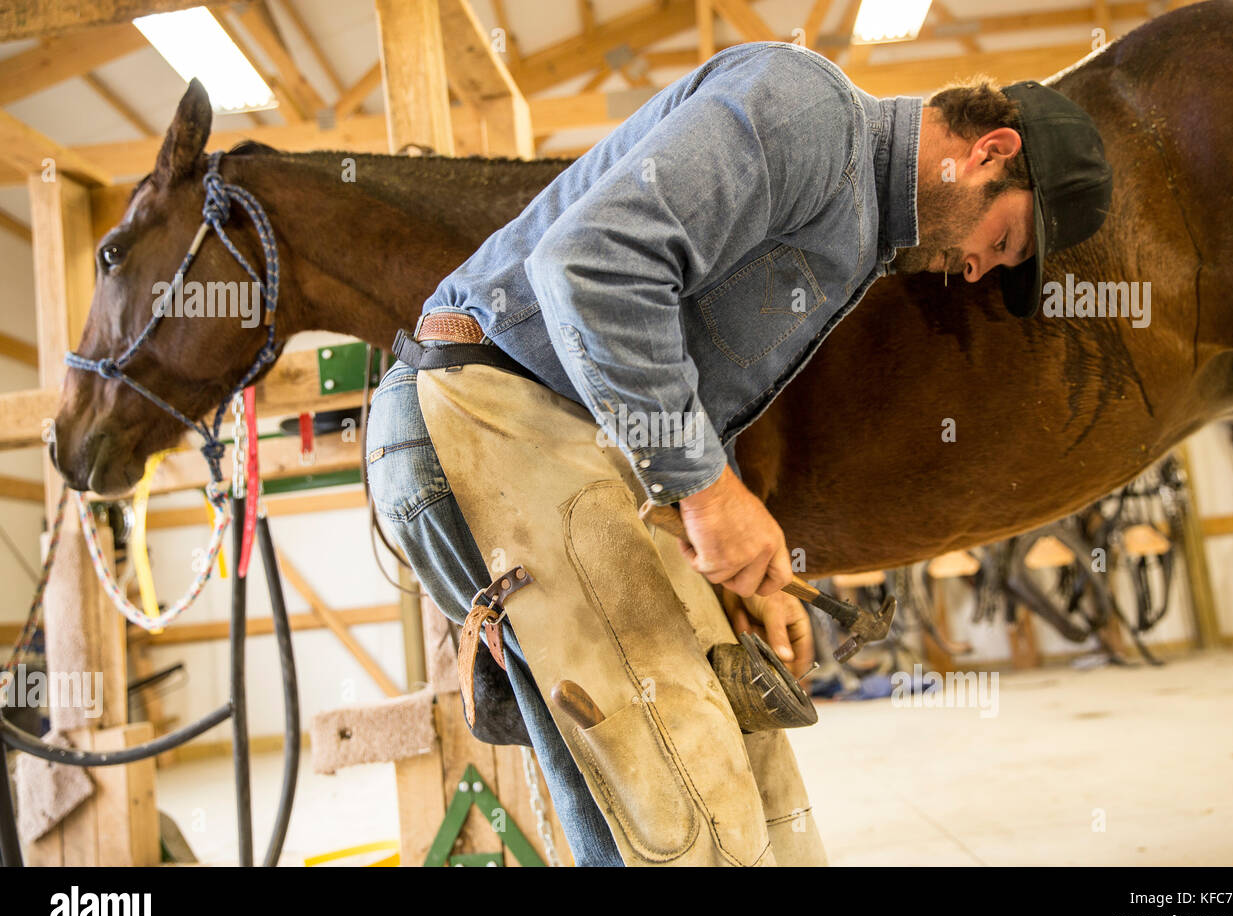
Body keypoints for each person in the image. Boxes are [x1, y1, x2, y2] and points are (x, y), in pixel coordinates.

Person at [365, 40, 1112, 866]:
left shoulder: (857, 225)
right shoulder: (808, 109)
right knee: (681, 818)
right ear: (991, 152)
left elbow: (677, 383)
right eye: (1002, 240)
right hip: (485, 411)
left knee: (763, 794)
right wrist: (710, 493)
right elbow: (589, 268)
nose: (977, 269)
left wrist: (746, 575)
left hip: (575, 441)